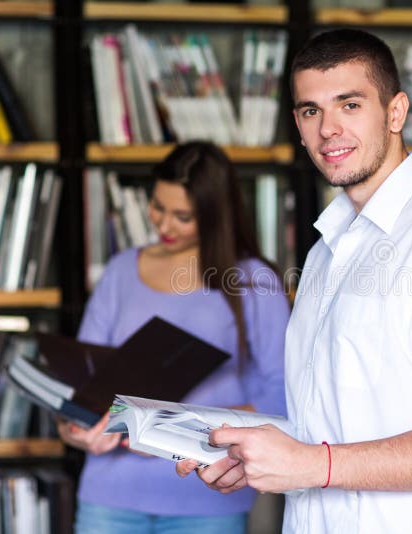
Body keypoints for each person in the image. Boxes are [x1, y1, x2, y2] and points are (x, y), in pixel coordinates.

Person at [176, 29, 412, 533]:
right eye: (311, 111)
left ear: (396, 112)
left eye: (350, 104)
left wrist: (314, 464)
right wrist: (253, 456)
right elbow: (330, 431)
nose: (329, 130)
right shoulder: (324, 253)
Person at [58, 141, 290, 534]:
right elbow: (82, 386)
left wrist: (183, 426)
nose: (163, 225)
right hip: (110, 495)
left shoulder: (254, 282)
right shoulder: (119, 272)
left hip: (208, 498)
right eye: (157, 207)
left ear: (216, 216)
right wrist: (76, 430)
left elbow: (284, 393)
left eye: (182, 216)